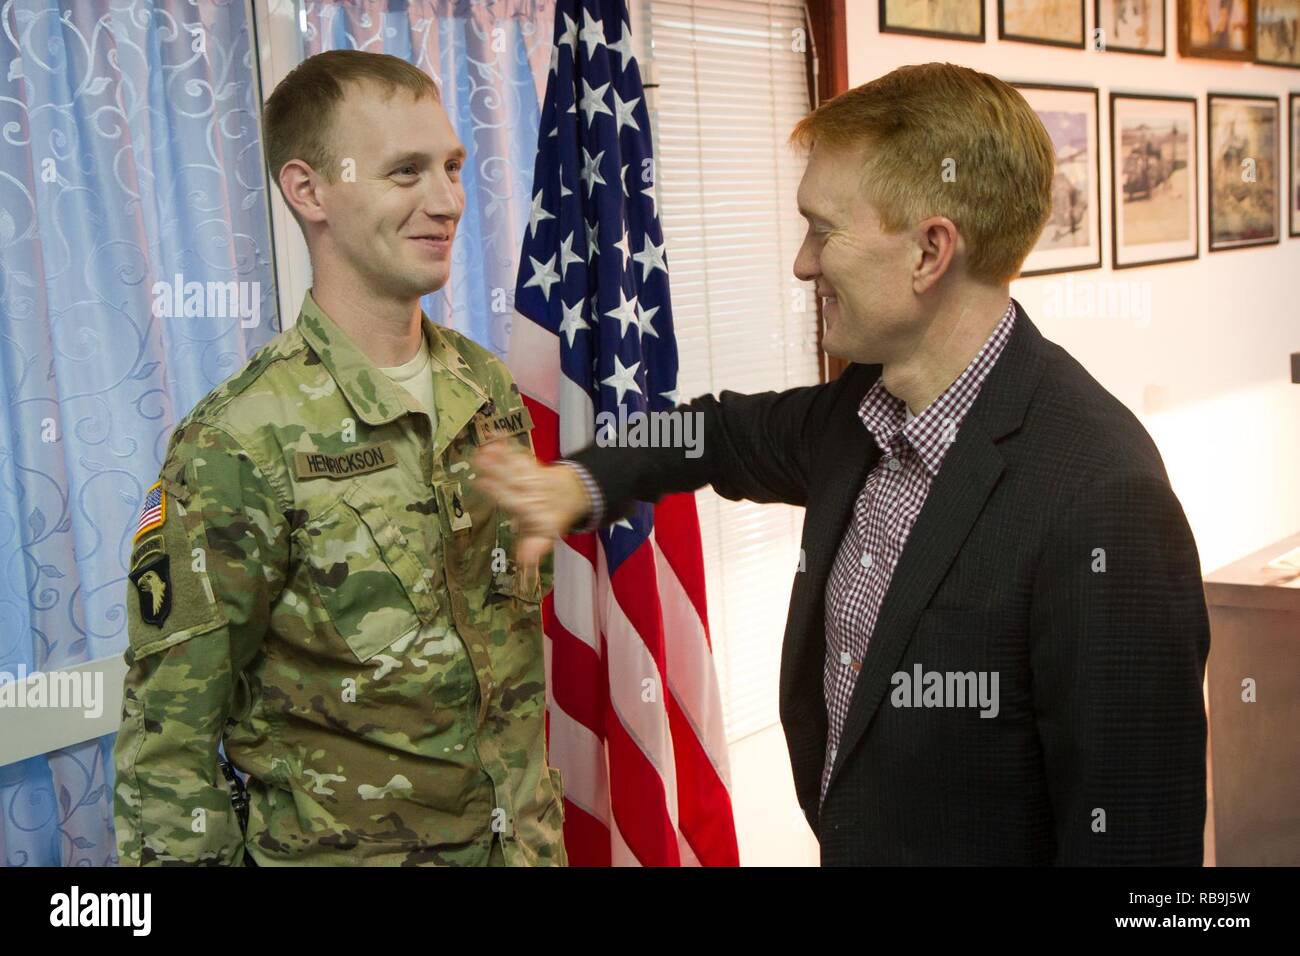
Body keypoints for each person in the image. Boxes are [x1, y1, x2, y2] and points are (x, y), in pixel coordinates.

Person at [475, 63, 1210, 866]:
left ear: (931, 251)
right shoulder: (858, 410)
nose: (801, 263)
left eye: (824, 230)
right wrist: (572, 484)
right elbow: (712, 436)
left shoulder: (1103, 498)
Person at [113, 50, 565, 866]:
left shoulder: (485, 386)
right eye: (405, 173)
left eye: (453, 166)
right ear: (308, 190)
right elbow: (167, 745)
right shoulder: (239, 440)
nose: (448, 201)